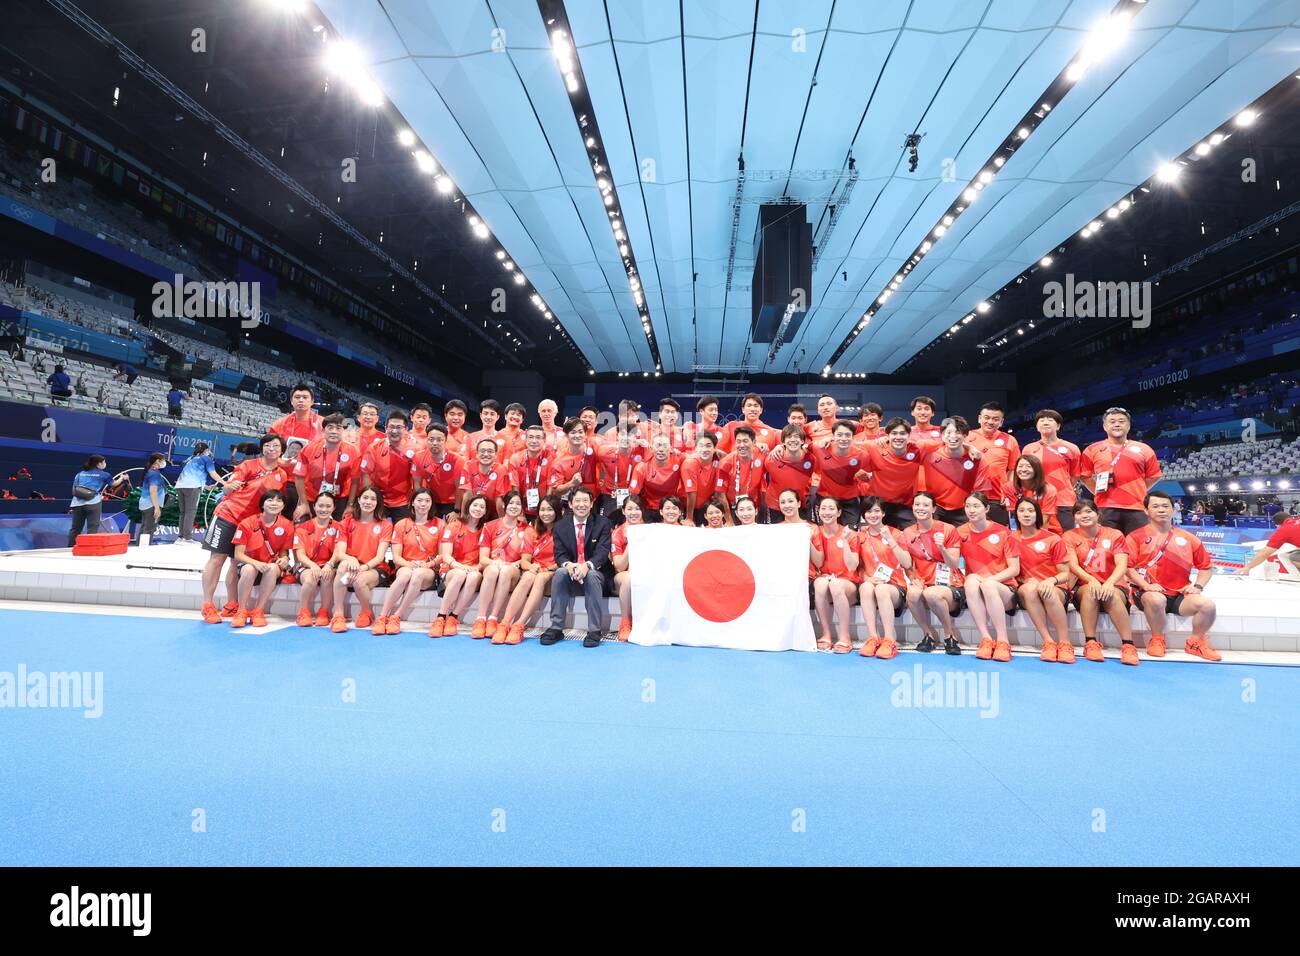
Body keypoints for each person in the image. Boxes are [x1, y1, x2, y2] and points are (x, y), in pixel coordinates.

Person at [200, 434, 291, 624]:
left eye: (276, 446)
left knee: (235, 563)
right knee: (217, 559)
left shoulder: (282, 474)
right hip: (229, 515)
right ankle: (207, 605)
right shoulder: (247, 466)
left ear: (281, 450)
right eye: (268, 445)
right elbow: (227, 489)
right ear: (262, 448)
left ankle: (232, 603)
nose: (272, 449)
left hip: (249, 523)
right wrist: (228, 486)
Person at [1125, 490, 1220, 661]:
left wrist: (1197, 586)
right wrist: (1145, 586)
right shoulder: (1136, 537)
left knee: (1207, 606)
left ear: (1173, 509)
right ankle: (1157, 639)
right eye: (1155, 506)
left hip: (1179, 595)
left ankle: (1195, 642)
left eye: (1165, 506)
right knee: (1156, 600)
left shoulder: (1188, 538)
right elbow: (1128, 568)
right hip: (1147, 594)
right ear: (1146, 511)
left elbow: (1206, 568)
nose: (1161, 510)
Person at [947, 492, 1019, 662]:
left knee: (986, 585)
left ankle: (1003, 641)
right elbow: (953, 564)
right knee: (971, 581)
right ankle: (986, 638)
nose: (971, 510)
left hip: (1004, 589)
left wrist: (989, 580)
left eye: (976, 506)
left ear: (986, 508)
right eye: (968, 506)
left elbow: (1014, 569)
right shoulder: (959, 532)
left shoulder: (1004, 532)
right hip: (976, 587)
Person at [1063, 500, 1136, 665]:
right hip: (1085, 585)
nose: (1085, 516)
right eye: (1079, 512)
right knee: (1090, 591)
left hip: (1114, 584)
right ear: (1074, 517)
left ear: (1098, 514)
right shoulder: (1069, 536)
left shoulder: (1114, 534)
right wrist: (1091, 579)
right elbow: (1073, 565)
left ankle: (1128, 645)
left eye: (1088, 511)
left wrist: (1110, 582)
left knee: (1114, 596)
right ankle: (1091, 642)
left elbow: (1122, 564)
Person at [539, 487, 611, 648]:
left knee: (592, 575)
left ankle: (594, 630)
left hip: (595, 572)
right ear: (570, 504)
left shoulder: (602, 523)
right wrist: (569, 565)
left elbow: (602, 552)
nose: (581, 504)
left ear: (592, 504)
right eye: (577, 501)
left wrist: (587, 565)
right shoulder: (560, 526)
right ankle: (556, 627)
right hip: (572, 572)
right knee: (560, 572)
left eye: (585, 501)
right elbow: (559, 554)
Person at [1010, 498, 1075, 663]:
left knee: (1048, 592)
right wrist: (1023, 580)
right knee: (1030, 589)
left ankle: (1065, 643)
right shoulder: (1010, 539)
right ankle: (1048, 642)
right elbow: (1010, 569)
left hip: (1054, 587)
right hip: (1028, 588)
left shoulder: (1053, 539)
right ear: (1015, 514)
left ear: (1037, 514)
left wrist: (1050, 581)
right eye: (1022, 510)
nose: (1026, 514)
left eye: (1031, 511)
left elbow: (1065, 573)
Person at [901, 491, 964, 655]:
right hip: (923, 581)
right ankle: (928, 634)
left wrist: (942, 547)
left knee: (932, 594)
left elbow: (954, 563)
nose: (920, 508)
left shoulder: (948, 529)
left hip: (950, 583)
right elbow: (908, 564)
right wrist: (912, 579)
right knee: (912, 594)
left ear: (934, 508)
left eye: (925, 505)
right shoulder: (907, 533)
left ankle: (950, 635)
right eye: (917, 505)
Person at [374, 489, 445, 635]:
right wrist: (409, 564)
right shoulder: (401, 524)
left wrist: (428, 565)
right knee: (405, 575)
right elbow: (396, 557)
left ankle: (397, 616)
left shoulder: (440, 524)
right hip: (406, 565)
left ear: (432, 503)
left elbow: (443, 554)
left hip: (428, 570)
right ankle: (382, 616)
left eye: (427, 501)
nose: (423, 504)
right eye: (419, 500)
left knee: (418, 574)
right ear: (412, 502)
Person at [1081, 407, 1162, 536]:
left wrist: (1138, 489)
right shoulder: (1092, 449)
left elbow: (1154, 476)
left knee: (1138, 548)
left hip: (1136, 507)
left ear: (1128, 426)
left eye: (1121, 421)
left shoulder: (1144, 449)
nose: (1117, 424)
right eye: (1112, 421)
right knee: (1107, 549)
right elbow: (1084, 476)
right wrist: (1097, 490)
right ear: (1104, 426)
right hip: (1105, 508)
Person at [497, 494, 564, 645]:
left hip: (553, 571)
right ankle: (505, 623)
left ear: (557, 511)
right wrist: (532, 567)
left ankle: (520, 625)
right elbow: (525, 561)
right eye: (542, 510)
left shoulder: (563, 530)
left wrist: (547, 568)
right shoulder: (531, 531)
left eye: (550, 510)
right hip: (535, 570)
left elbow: (565, 560)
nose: (545, 513)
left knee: (539, 577)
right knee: (528, 576)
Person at [856, 497, 914, 659]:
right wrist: (866, 578)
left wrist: (890, 539)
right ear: (863, 515)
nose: (872, 515)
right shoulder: (860, 536)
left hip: (894, 587)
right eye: (868, 511)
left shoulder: (895, 533)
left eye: (876, 511)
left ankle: (889, 640)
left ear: (883, 513)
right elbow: (858, 567)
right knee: (866, 587)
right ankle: (873, 638)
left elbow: (907, 563)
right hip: (871, 585)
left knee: (881, 589)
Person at [228, 489, 295, 629]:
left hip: (270, 567)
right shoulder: (247, 523)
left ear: (283, 506)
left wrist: (285, 559)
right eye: (270, 500)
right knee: (248, 569)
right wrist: (256, 563)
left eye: (278, 501)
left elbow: (284, 552)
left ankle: (259, 611)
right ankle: (241, 611)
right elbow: (238, 554)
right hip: (250, 564)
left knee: (271, 568)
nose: (274, 503)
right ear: (262, 504)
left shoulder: (287, 525)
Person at [329, 486, 392, 632]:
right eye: (365, 497)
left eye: (372, 499)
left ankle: (366, 612)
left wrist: (363, 567)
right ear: (358, 500)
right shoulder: (346, 522)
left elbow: (380, 557)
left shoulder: (385, 525)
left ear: (378, 503)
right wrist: (352, 560)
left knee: (359, 579)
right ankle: (338, 614)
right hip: (351, 565)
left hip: (375, 568)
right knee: (343, 564)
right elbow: (340, 552)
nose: (368, 502)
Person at [859, 417, 941, 529]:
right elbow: (846, 444)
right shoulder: (874, 447)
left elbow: (948, 443)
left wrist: (968, 447)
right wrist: (828, 440)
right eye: (894, 433)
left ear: (909, 436)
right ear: (887, 436)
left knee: (914, 536)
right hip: (879, 506)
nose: (898, 437)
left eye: (902, 433)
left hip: (905, 506)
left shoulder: (918, 448)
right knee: (878, 540)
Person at [429, 494, 489, 637]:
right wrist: (459, 566)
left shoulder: (485, 530)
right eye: (475, 505)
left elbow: (483, 558)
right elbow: (446, 555)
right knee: (460, 574)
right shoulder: (454, 526)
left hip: (472, 569)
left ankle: (453, 617)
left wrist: (475, 568)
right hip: (452, 568)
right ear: (468, 507)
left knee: (474, 577)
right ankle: (441, 616)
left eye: (482, 507)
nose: (478, 509)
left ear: (486, 511)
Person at [476, 490, 530, 641]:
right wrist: (496, 563)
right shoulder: (490, 526)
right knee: (493, 571)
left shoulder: (527, 529)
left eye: (518, 504)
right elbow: (483, 558)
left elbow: (526, 559)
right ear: (504, 505)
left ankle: (493, 618)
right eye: (511, 503)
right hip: (493, 565)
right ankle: (481, 618)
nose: (514, 506)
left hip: (512, 569)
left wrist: (512, 564)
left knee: (505, 571)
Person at [919, 416, 992, 524]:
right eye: (948, 432)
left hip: (964, 510)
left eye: (958, 432)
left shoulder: (978, 459)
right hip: (935, 509)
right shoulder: (928, 451)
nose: (953, 436)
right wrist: (884, 438)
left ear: (965, 435)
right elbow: (902, 445)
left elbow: (981, 494)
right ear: (942, 436)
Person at [809, 498, 860, 652]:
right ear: (818, 512)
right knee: (820, 583)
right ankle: (826, 634)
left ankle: (845, 637)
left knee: (836, 585)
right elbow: (818, 563)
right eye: (823, 508)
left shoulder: (850, 534)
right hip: (825, 581)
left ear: (838, 512)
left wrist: (844, 541)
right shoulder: (815, 532)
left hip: (847, 583)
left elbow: (852, 566)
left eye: (831, 508)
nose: (826, 512)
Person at [293, 412, 361, 521]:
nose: (334, 431)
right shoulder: (308, 449)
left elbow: (355, 481)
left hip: (339, 500)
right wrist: (304, 504)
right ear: (323, 431)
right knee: (305, 529)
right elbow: (298, 477)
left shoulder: (354, 452)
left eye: (338, 428)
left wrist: (350, 505)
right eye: (330, 427)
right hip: (312, 498)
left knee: (338, 533)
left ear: (343, 431)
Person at [1022, 409, 1083, 532]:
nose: (1045, 422)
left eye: (1050, 420)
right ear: (1037, 427)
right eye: (1042, 420)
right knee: (1037, 537)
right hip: (1036, 500)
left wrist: (1062, 488)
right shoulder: (1028, 449)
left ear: (1058, 426)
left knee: (1066, 537)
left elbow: (1074, 475)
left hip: (1063, 501)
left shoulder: (1071, 448)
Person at [293, 492, 343, 627]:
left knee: (327, 575)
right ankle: (303, 611)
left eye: (328, 506)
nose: (324, 509)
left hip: (328, 564)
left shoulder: (339, 527)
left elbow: (339, 550)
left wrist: (330, 564)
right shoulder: (302, 527)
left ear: (334, 508)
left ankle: (324, 611)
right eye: (320, 505)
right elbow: (300, 555)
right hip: (306, 565)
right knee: (311, 578)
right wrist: (313, 566)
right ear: (314, 507)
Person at [966, 402, 1019, 524]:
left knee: (998, 535)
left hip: (997, 497)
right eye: (987, 417)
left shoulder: (1010, 440)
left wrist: (1008, 492)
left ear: (1001, 422)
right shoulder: (967, 437)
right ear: (979, 418)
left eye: (995, 419)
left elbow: (1013, 470)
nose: (990, 422)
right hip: (971, 496)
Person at [360, 410, 417, 522]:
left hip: (403, 502)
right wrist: (369, 498)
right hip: (379, 501)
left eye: (399, 427)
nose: (394, 431)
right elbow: (366, 474)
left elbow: (417, 479)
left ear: (406, 430)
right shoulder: (374, 447)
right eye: (391, 427)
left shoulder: (414, 450)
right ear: (386, 428)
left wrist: (415, 501)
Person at [811, 421, 866, 527]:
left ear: (853, 437)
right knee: (825, 534)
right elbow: (801, 446)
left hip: (849, 500)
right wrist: (780, 447)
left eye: (847, 435)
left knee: (851, 535)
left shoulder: (862, 455)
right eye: (839, 435)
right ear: (833, 436)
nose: (843, 438)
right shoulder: (820, 447)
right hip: (825, 498)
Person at [762, 424, 818, 524]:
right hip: (776, 506)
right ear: (783, 441)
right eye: (789, 437)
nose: (793, 440)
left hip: (802, 505)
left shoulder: (811, 459)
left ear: (802, 441)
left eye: (796, 437)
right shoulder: (772, 460)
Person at [68, 455, 127, 546]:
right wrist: (122, 478)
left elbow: (74, 489)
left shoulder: (80, 474)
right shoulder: (105, 475)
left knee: (75, 529)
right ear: (99, 464)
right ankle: (88, 549)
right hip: (93, 503)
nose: (105, 464)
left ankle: (69, 549)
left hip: (77, 504)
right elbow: (114, 484)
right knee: (92, 528)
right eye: (104, 462)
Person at [174, 442, 227, 543]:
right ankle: (187, 538)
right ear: (206, 450)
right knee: (190, 512)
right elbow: (213, 473)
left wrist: (206, 487)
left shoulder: (190, 459)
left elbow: (191, 475)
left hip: (180, 486)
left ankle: (180, 537)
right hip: (192, 487)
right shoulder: (206, 458)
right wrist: (225, 483)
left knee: (183, 512)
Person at [412, 423, 465, 519]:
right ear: (426, 440)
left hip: (451, 503)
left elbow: (459, 488)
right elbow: (417, 484)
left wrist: (457, 511)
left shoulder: (457, 460)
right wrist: (419, 505)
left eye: (439, 440)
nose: (435, 443)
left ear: (445, 441)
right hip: (429, 501)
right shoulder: (418, 457)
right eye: (431, 439)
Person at [611, 493, 645, 640]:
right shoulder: (617, 534)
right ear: (623, 511)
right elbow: (619, 567)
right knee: (628, 577)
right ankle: (625, 622)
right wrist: (632, 541)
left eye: (637, 509)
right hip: (623, 576)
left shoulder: (650, 531)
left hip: (645, 573)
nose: (634, 513)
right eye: (630, 509)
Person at [629, 433, 683, 521]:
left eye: (665, 446)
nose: (661, 449)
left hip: (671, 508)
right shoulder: (642, 467)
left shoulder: (680, 460)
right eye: (658, 445)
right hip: (649, 509)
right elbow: (633, 495)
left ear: (670, 448)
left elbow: (695, 457)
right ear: (651, 448)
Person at [594, 425, 642, 522]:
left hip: (631, 496)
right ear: (617, 436)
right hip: (609, 495)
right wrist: (601, 481)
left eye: (630, 435)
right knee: (605, 526)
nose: (626, 437)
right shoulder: (604, 452)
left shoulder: (641, 452)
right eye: (623, 434)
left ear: (635, 437)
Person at [548, 417, 598, 507]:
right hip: (569, 504)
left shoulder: (595, 451)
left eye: (580, 432)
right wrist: (571, 484)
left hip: (593, 501)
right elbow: (556, 491)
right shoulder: (559, 461)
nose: (577, 435)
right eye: (573, 432)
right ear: (566, 435)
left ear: (585, 434)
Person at [717, 425, 764, 519]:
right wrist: (729, 520)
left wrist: (780, 447)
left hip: (754, 508)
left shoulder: (762, 454)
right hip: (732, 508)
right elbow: (720, 494)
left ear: (754, 442)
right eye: (738, 442)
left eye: (745, 441)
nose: (742, 445)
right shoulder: (725, 463)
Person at [1234, 512, 1300, 576]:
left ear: (1278, 524)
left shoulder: (1283, 530)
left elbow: (1265, 553)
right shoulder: (1297, 519)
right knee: (1295, 553)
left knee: (1294, 557)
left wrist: (1248, 567)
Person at [1007, 454, 1060, 532]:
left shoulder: (1049, 490)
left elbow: (1045, 520)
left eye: (1028, 466)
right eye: (1020, 466)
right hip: (1022, 531)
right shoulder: (1009, 487)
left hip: (1049, 530)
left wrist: (1036, 539)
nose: (1023, 469)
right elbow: (1015, 516)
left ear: (1037, 470)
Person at [681, 430, 722, 524]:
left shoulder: (718, 461)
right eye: (701, 446)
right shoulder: (690, 463)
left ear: (715, 448)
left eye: (708, 446)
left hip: (705, 508)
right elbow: (691, 493)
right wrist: (689, 518)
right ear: (695, 448)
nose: (704, 449)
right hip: (687, 508)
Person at [137, 453, 168, 546]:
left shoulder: (152, 472)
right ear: (157, 461)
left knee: (145, 528)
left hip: (147, 505)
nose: (164, 462)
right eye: (163, 460)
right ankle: (143, 552)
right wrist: (157, 507)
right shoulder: (154, 474)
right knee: (149, 530)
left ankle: (140, 549)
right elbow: (153, 491)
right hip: (151, 505)